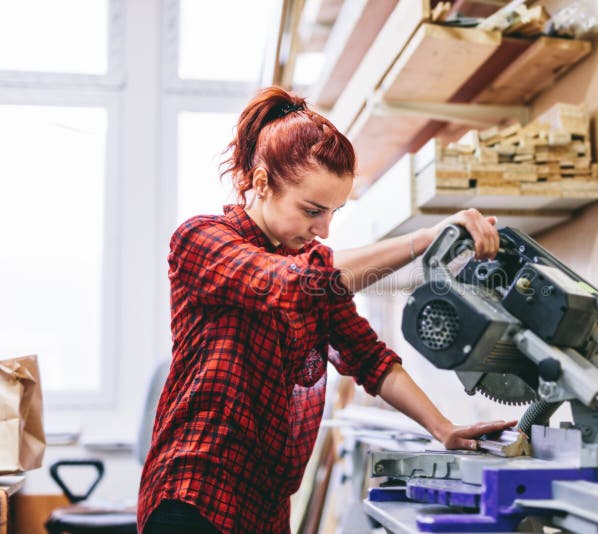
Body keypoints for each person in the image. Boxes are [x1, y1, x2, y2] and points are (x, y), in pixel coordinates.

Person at [137, 86, 514, 533]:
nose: (324, 229)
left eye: (333, 212)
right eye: (313, 210)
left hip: (262, 504)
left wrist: (444, 427)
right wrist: (422, 240)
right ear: (260, 183)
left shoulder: (310, 274)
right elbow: (290, 284)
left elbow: (370, 359)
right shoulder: (201, 240)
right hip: (195, 492)